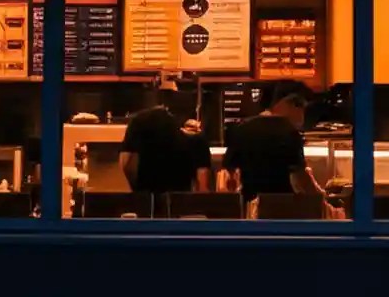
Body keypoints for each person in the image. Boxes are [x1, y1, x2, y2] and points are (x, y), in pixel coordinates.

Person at [222, 80, 341, 217]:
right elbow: (301, 179)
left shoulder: (242, 128)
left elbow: (229, 175)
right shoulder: (289, 132)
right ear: (289, 104)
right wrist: (322, 201)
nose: (302, 115)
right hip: (282, 210)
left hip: (250, 210)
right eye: (301, 107)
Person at [119, 74, 212, 194]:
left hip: (147, 198)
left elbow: (126, 163)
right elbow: (202, 185)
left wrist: (137, 191)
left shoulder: (139, 121)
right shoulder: (196, 137)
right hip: (180, 199)